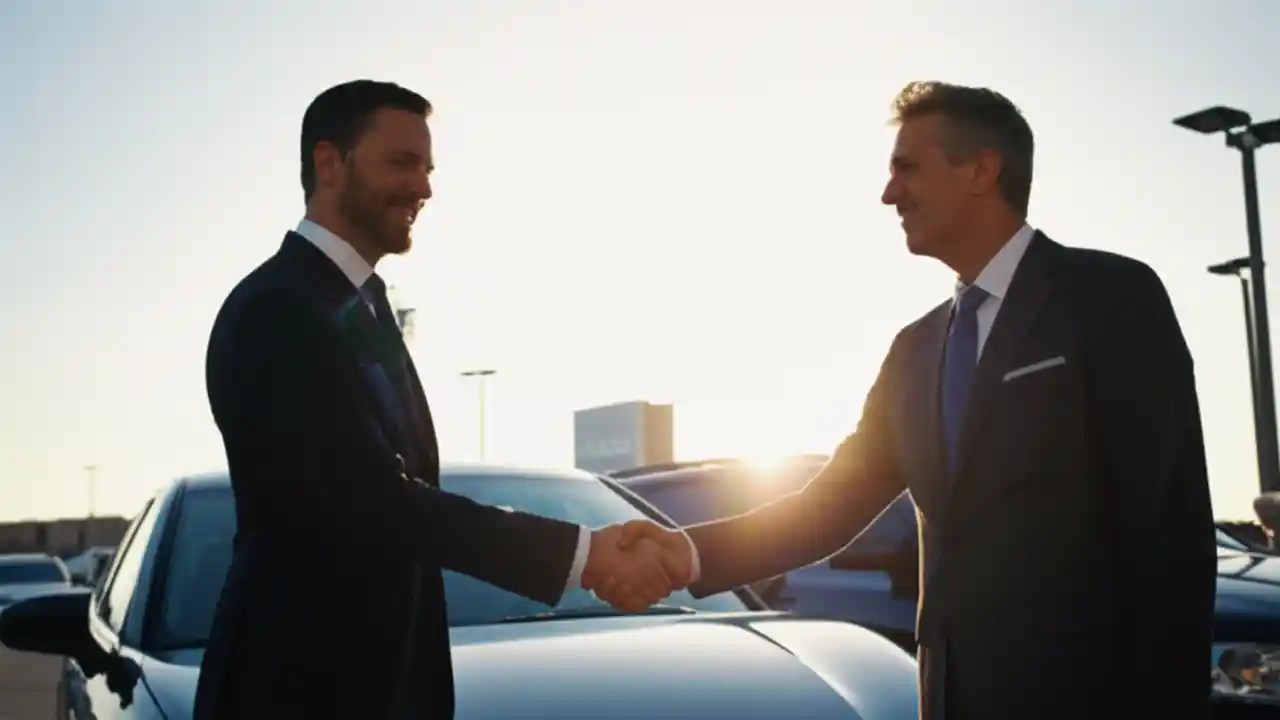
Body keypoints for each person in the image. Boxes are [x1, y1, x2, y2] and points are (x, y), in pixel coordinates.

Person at [610, 81, 1217, 719]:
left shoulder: (1111, 297)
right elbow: (830, 504)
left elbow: (1169, 537)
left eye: (907, 168)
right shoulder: (913, 349)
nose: (888, 192)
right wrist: (687, 551)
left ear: (981, 170)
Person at [195, 79, 670, 719]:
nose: (423, 187)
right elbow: (374, 502)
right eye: (402, 163)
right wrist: (582, 555)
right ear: (329, 163)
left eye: (426, 167)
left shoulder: (358, 302)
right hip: (299, 690)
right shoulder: (275, 312)